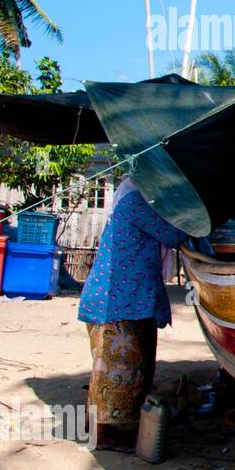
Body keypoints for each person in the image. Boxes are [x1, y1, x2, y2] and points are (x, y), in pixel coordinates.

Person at [78, 178, 185, 452]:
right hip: (118, 299)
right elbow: (173, 235)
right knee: (118, 369)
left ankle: (99, 427)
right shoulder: (135, 200)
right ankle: (103, 435)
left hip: (125, 296)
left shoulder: (130, 196)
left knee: (119, 366)